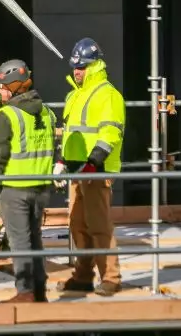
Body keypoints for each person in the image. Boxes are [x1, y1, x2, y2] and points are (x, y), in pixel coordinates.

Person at [0, 59, 55, 304]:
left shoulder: (7, 115)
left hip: (16, 189)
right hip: (41, 188)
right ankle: (39, 290)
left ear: (14, 87)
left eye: (1, 87)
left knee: (20, 242)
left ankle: (25, 292)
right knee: (35, 239)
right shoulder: (47, 112)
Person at [56, 38, 126, 297]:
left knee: (99, 225)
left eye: (83, 67)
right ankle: (83, 276)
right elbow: (71, 133)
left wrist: (94, 163)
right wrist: (63, 162)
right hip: (79, 170)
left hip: (97, 171)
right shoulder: (75, 95)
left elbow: (110, 133)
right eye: (75, 67)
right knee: (77, 225)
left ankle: (111, 278)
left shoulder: (108, 95)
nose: (77, 71)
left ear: (95, 66)